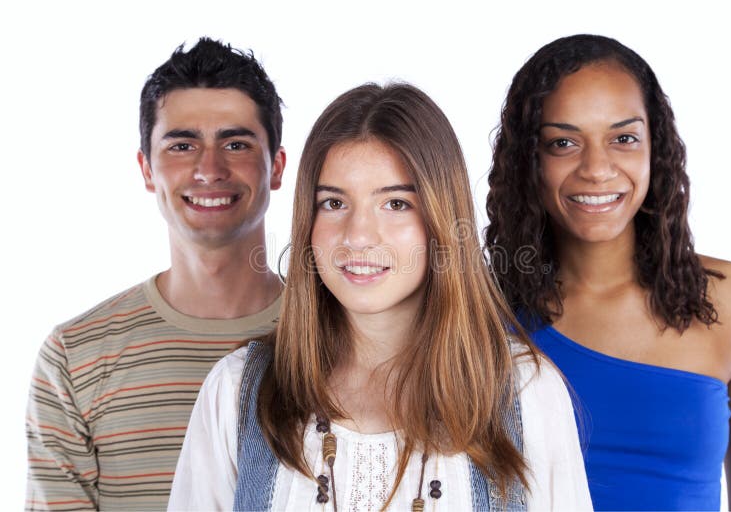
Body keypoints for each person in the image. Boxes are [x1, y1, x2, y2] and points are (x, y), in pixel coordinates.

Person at [168, 83, 591, 511]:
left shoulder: (526, 393)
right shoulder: (237, 390)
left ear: (442, 220)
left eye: (395, 204)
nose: (358, 236)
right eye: (333, 203)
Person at [485, 34, 731, 510]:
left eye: (623, 139)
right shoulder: (485, 311)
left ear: (654, 147)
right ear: (530, 160)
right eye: (563, 143)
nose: (597, 169)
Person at [25, 38, 286, 511]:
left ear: (277, 167)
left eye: (236, 144)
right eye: (182, 145)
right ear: (147, 169)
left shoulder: (344, 334)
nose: (210, 169)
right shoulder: (75, 358)